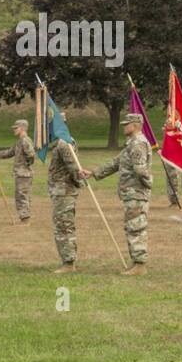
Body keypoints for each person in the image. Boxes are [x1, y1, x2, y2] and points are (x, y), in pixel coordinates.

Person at [84, 114, 153, 275]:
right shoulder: (131, 144)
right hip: (132, 192)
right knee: (132, 226)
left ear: (135, 125)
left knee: (136, 227)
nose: (124, 126)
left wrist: (147, 184)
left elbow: (140, 169)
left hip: (136, 192)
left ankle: (140, 265)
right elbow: (116, 163)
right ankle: (137, 262)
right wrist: (94, 173)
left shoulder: (138, 144)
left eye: (126, 124)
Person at [46, 136, 86, 272]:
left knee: (64, 226)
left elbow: (73, 167)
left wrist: (79, 182)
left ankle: (69, 263)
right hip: (61, 191)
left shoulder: (64, 143)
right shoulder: (62, 142)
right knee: (63, 225)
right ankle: (68, 261)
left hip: (64, 192)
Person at [0, 119, 34, 222]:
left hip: (24, 174)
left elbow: (31, 155)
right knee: (20, 196)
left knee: (22, 196)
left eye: (16, 128)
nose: (14, 130)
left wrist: (26, 166)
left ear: (23, 128)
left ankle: (25, 218)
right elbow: (9, 153)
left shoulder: (25, 140)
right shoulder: (19, 141)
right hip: (20, 174)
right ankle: (24, 217)